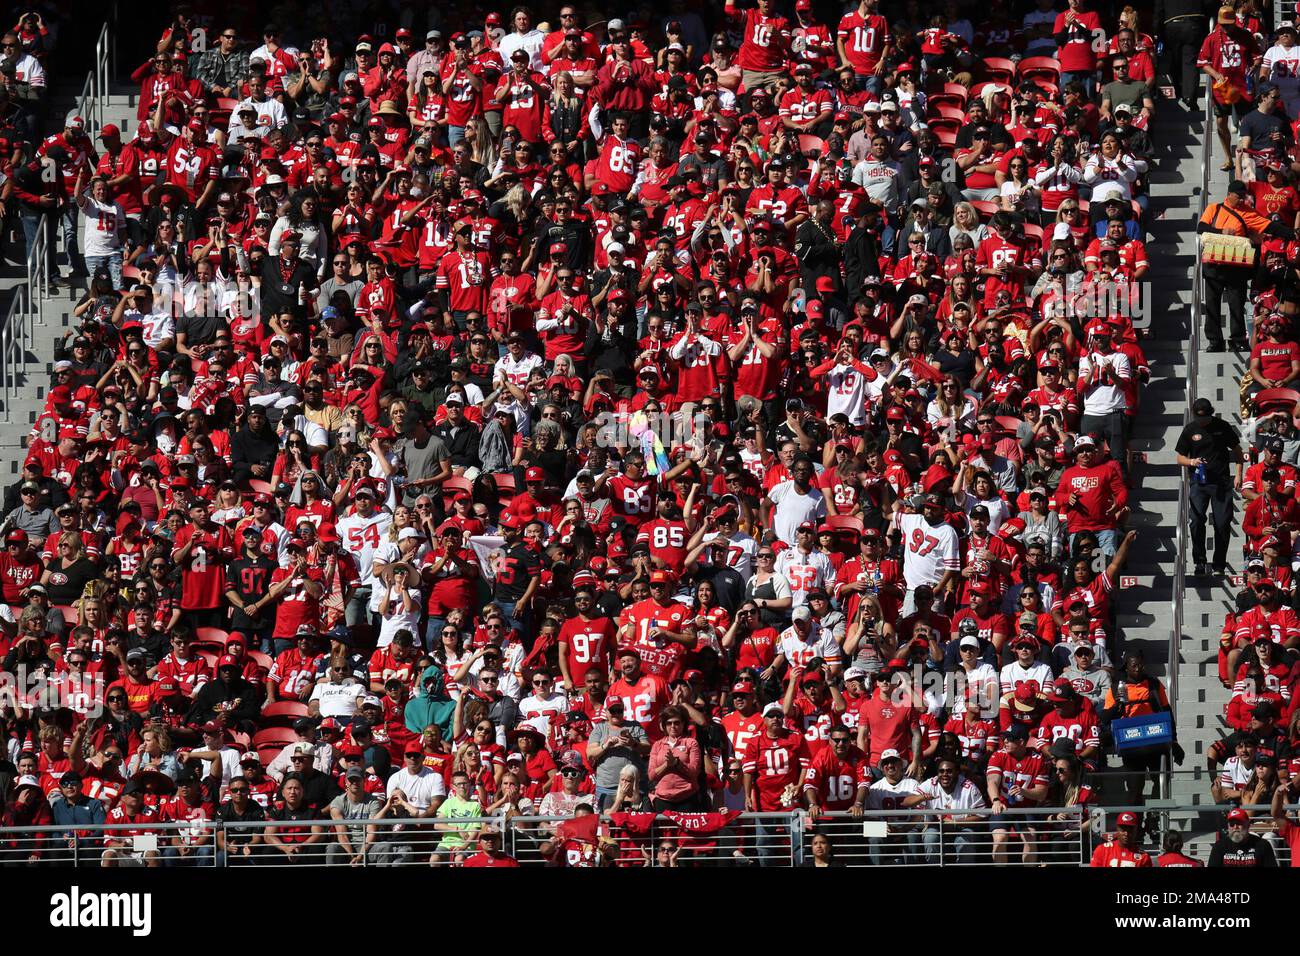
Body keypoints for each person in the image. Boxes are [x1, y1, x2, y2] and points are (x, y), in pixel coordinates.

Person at [1176, 397, 1245, 576]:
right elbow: (1179, 457)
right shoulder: (1190, 430)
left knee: (1222, 523)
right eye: (1199, 418)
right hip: (1199, 483)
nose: (1202, 421)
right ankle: (1199, 562)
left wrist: (1238, 474)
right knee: (1197, 521)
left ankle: (1219, 564)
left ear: (1211, 414)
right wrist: (1192, 461)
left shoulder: (1222, 426)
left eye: (1205, 417)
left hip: (1221, 483)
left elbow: (1238, 451)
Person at [1207, 806, 1278, 866]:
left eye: (1239, 823)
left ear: (1248, 825)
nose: (1235, 827)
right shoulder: (1219, 846)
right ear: (1228, 827)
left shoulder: (1262, 845)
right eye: (1232, 824)